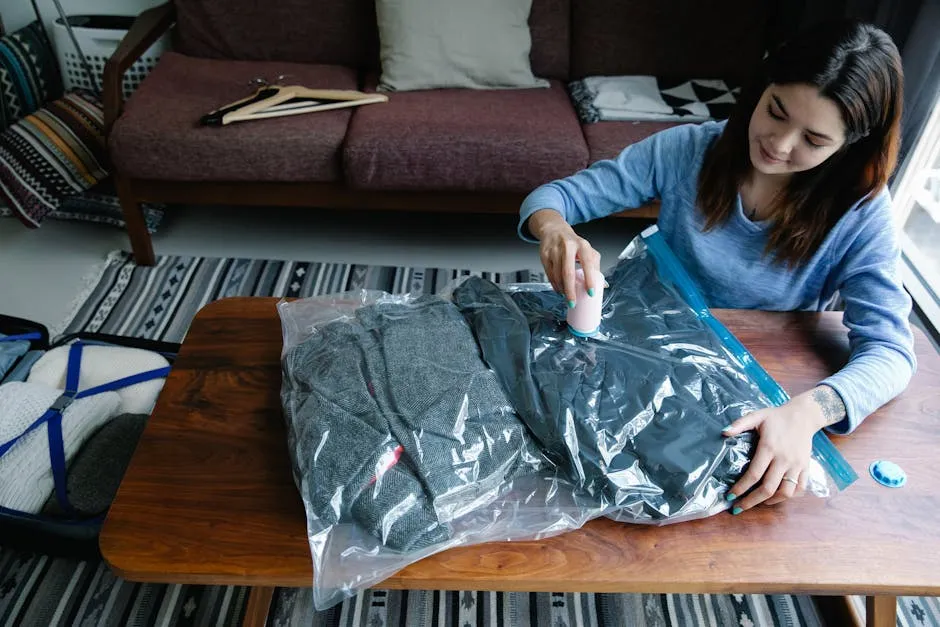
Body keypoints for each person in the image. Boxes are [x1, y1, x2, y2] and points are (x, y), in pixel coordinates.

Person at [517, 20, 916, 514]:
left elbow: (892, 353)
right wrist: (555, 228)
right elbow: (554, 196)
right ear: (762, 88)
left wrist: (810, 411)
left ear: (851, 144)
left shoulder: (860, 212)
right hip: (640, 348)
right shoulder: (688, 149)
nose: (780, 144)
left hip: (750, 382)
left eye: (813, 139)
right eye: (775, 111)